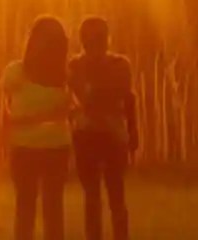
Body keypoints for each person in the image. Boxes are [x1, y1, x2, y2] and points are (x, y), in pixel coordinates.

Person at [2, 15, 73, 240]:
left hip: (24, 147)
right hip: (55, 147)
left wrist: (20, 122)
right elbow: (73, 109)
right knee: (53, 208)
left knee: (25, 207)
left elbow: (6, 107)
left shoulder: (16, 72)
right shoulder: (65, 76)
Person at [68, 16, 138, 240]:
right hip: (113, 133)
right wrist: (133, 130)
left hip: (87, 133)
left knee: (93, 196)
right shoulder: (120, 65)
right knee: (116, 194)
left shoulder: (76, 66)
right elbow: (127, 98)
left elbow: (83, 97)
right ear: (107, 39)